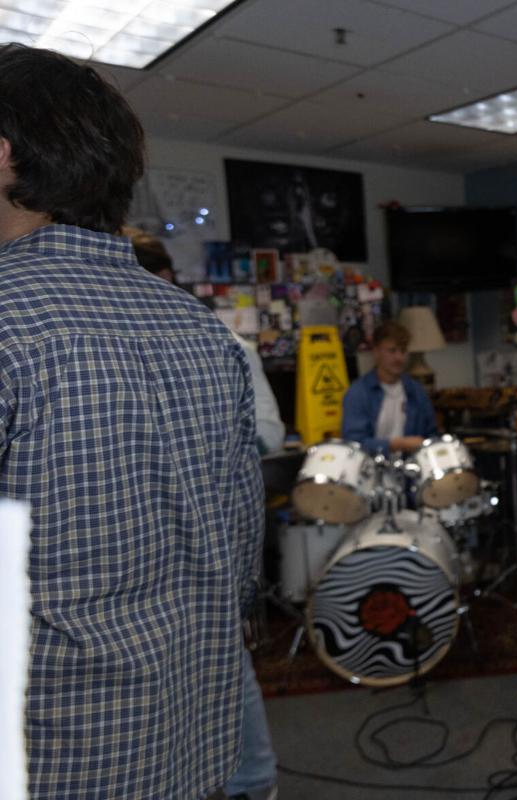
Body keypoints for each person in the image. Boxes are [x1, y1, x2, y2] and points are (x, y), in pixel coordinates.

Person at [0, 44, 263, 799]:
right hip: (188, 740)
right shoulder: (202, 329)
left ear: (4, 153)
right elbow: (242, 554)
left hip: (48, 755)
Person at [129, 229, 281, 800]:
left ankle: (253, 781)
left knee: (226, 673)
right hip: (144, 552)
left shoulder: (220, 343)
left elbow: (264, 434)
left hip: (202, 552)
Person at [341, 319, 438, 456]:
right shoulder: (358, 393)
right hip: (371, 471)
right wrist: (396, 444)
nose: (399, 357)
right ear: (376, 352)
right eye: (392, 351)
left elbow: (431, 436)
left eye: (403, 351)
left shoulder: (416, 391)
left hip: (412, 471)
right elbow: (354, 444)